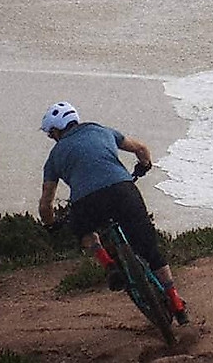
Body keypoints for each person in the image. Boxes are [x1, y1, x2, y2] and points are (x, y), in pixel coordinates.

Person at [37, 101, 188, 324]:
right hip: (122, 191)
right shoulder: (102, 131)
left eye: (51, 134)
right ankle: (176, 302)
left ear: (57, 130)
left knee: (84, 229)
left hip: (87, 202)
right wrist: (143, 166)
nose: (52, 138)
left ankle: (108, 263)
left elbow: (45, 203)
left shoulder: (54, 158)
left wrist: (50, 225)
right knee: (150, 249)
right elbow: (141, 149)